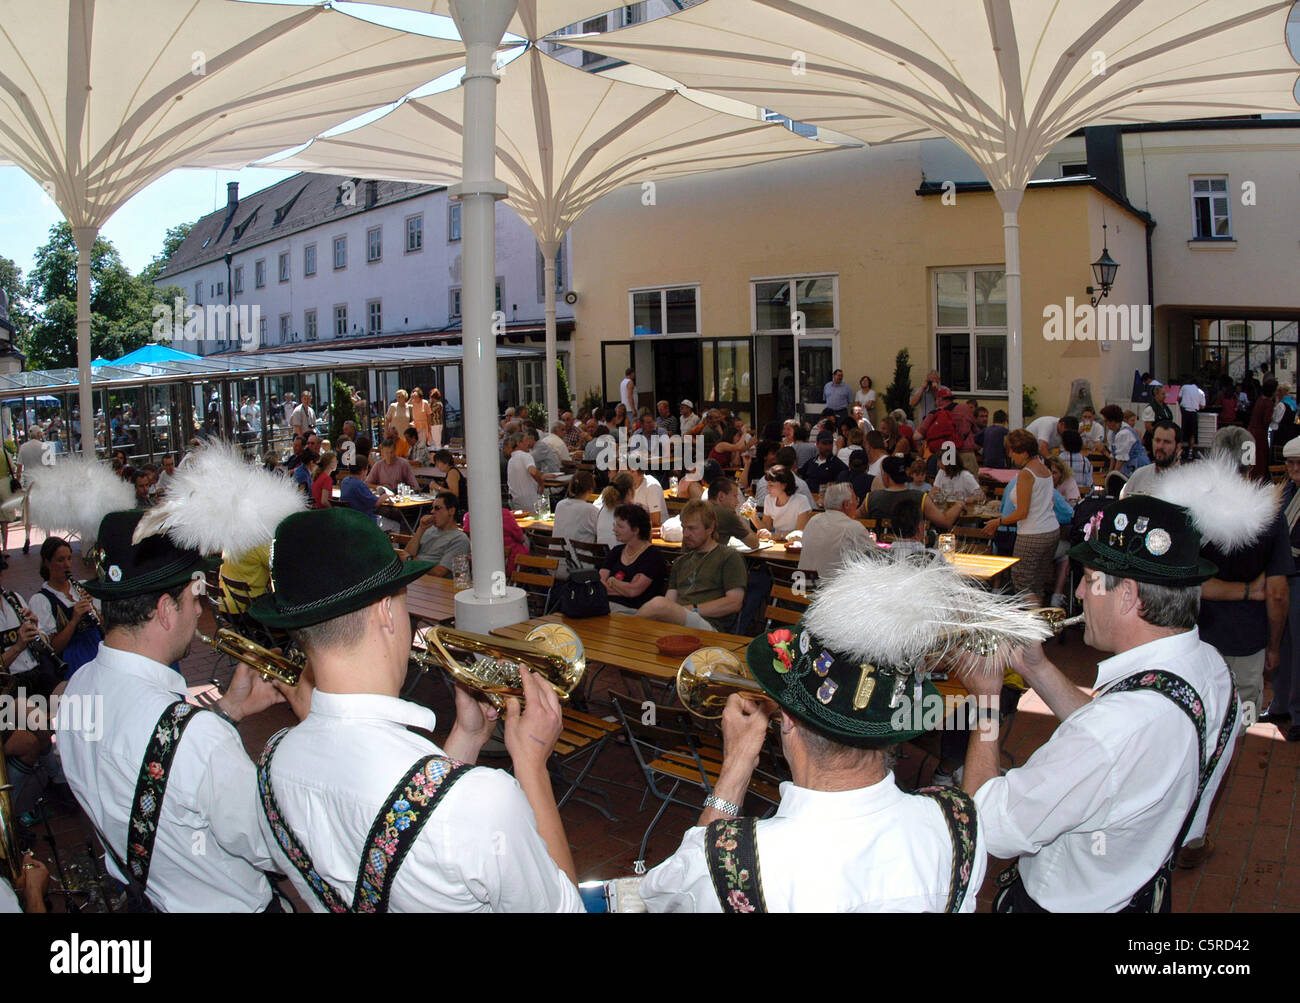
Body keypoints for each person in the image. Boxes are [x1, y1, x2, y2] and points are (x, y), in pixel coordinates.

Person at [249, 508, 582, 912]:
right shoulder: (486, 799)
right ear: (385, 612)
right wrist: (532, 767)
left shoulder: (272, 761)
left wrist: (468, 736)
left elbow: (410, 821)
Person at [642, 566, 985, 912]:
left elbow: (662, 900)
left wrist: (735, 768)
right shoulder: (960, 822)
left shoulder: (725, 861)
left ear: (787, 721)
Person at [961, 495, 1239, 912]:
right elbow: (1118, 751)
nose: (1078, 593)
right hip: (1140, 893)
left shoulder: (1114, 731)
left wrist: (985, 699)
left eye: (1089, 579)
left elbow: (985, 827)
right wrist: (1036, 668)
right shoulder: (1212, 668)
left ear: (1127, 595)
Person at [59, 510, 301, 911]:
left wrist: (228, 710)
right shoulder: (199, 740)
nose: (197, 610)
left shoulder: (75, 690)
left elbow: (157, 767)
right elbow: (272, 847)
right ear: (166, 610)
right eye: (195, 597)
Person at [637, 501, 745, 632]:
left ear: (710, 528)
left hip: (709, 626)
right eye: (684, 528)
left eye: (692, 528)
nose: (686, 534)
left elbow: (734, 603)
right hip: (678, 623)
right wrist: (672, 612)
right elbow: (669, 601)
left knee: (657, 605)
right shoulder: (681, 562)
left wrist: (690, 610)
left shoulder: (728, 557)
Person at [983, 429, 1058, 605]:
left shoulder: (1026, 474)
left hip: (1032, 534)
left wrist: (998, 521)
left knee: (1022, 584)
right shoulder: (1044, 468)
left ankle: (1035, 624)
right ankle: (1040, 623)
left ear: (1024, 452)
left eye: (1012, 451)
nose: (1010, 455)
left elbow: (1022, 512)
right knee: (1037, 584)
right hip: (1050, 530)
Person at [1263, 436, 1300, 740]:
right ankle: (1280, 703)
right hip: (1282, 575)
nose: (1295, 468)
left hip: (1298, 575)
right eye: (1291, 463)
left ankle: (1297, 712)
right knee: (1280, 642)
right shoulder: (1286, 490)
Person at [28, 537, 102, 676]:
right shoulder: (41, 600)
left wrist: (93, 607)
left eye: (69, 558)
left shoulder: (82, 586)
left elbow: (105, 627)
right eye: (60, 560)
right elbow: (53, 648)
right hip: (73, 661)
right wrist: (74, 620)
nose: (67, 565)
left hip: (97, 649)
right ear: (47, 563)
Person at [601, 503, 668, 612]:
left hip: (636, 612)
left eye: (620, 526)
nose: (615, 530)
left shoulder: (652, 556)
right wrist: (624, 589)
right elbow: (600, 583)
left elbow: (633, 591)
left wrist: (612, 581)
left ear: (636, 530)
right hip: (607, 606)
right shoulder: (616, 551)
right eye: (615, 525)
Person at [865, 455, 964, 528]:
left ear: (886, 477)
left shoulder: (871, 498)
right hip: (912, 551)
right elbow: (945, 522)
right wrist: (959, 504)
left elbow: (855, 518)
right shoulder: (921, 498)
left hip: (881, 551)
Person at [798, 482, 871, 575]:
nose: (857, 503)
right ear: (846, 504)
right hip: (831, 587)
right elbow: (875, 556)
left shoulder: (813, 520)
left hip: (803, 584)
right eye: (856, 499)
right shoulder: (853, 527)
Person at [402, 491, 470, 575]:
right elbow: (407, 552)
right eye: (432, 508)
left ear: (451, 511)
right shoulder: (428, 529)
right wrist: (420, 529)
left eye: (437, 508)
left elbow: (440, 572)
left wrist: (411, 560)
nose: (432, 512)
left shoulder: (459, 539)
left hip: (432, 581)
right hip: (413, 574)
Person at [1120, 421, 1181, 498]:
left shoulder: (1187, 481)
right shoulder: (1139, 476)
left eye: (1167, 442)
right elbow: (1124, 507)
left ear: (1178, 447)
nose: (1160, 446)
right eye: (1157, 440)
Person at [753, 467, 812, 538]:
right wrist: (752, 515)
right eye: (767, 485)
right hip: (775, 542)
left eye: (771, 485)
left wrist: (776, 536)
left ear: (784, 485)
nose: (767, 488)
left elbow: (801, 532)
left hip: (795, 544)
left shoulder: (801, 500)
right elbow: (766, 528)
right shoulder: (769, 499)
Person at [709, 477, 760, 549]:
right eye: (735, 496)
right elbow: (754, 543)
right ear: (721, 496)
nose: (737, 501)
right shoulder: (726, 514)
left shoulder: (700, 507)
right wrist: (737, 517)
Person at [552, 471, 599, 548]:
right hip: (578, 558)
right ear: (590, 490)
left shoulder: (560, 504)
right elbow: (600, 532)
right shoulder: (590, 509)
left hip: (555, 556)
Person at [1101, 404, 1148, 476]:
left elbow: (1121, 460)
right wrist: (1109, 473)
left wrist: (1112, 477)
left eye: (1106, 420)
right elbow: (1113, 456)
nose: (1105, 423)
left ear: (1113, 421)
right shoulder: (1112, 432)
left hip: (1138, 467)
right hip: (1127, 467)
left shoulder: (1125, 433)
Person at [506, 432, 546, 511]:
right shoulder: (525, 455)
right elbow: (533, 471)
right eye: (526, 440)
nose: (529, 443)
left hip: (515, 500)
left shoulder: (511, 460)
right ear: (519, 443)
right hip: (530, 500)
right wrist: (541, 484)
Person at [594, 473, 635, 549]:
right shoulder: (629, 512)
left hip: (603, 558)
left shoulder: (603, 509)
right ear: (630, 492)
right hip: (620, 558)